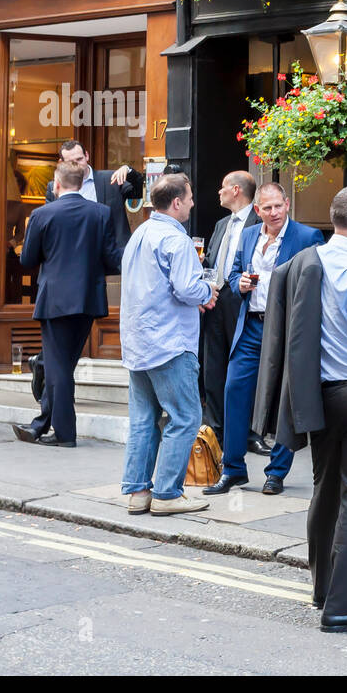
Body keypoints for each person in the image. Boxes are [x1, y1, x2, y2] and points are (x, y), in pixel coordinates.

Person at [253, 185, 347, 632]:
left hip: (319, 398)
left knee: (326, 490)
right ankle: (342, 606)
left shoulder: (303, 263)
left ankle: (322, 590)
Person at [204, 182, 324, 496]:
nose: (273, 213)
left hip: (286, 330)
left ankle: (276, 473)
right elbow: (232, 275)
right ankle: (233, 469)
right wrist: (239, 283)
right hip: (252, 326)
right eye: (266, 208)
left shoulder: (307, 238)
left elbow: (316, 285)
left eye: (278, 206)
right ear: (258, 210)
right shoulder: (247, 236)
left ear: (287, 204)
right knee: (234, 390)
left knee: (285, 399)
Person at [119, 173, 216, 517]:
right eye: (189, 198)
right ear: (176, 202)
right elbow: (187, 289)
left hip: (137, 342)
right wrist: (209, 290)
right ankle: (167, 494)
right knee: (185, 417)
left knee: (144, 420)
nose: (192, 203)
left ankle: (138, 493)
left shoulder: (140, 233)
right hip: (169, 343)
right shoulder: (176, 239)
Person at [12, 162, 122, 448]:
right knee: (61, 365)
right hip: (88, 298)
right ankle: (41, 424)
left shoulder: (41, 214)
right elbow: (112, 259)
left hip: (55, 299)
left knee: (58, 368)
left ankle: (64, 434)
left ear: (56, 185)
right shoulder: (101, 212)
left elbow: (26, 260)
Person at [200, 170, 257, 448]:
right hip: (215, 300)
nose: (219, 192)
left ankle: (247, 432)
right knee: (213, 366)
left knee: (243, 367)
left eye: (223, 187)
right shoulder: (221, 224)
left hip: (242, 301)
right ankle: (216, 430)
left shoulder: (259, 222)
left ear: (236, 190)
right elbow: (211, 261)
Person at [45, 140, 144, 248]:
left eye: (79, 159)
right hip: (74, 254)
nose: (77, 164)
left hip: (112, 255)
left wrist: (128, 171)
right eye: (71, 162)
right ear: (62, 163)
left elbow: (139, 192)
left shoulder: (111, 179)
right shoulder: (55, 187)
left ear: (86, 155)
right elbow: (50, 224)